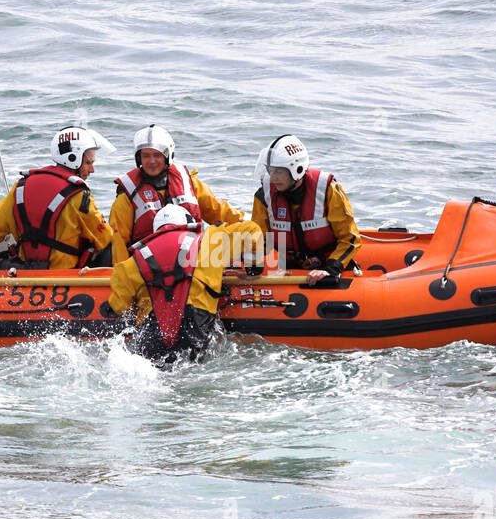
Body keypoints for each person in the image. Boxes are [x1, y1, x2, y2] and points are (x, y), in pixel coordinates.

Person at [105, 203, 264, 364]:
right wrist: (253, 270)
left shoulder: (130, 263)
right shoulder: (210, 240)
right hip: (195, 327)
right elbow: (252, 230)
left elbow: (119, 307)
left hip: (151, 334)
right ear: (188, 223)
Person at [0, 126, 115, 269]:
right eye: (88, 163)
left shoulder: (20, 187)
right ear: (72, 158)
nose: (92, 169)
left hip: (27, 273)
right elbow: (104, 237)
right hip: (64, 278)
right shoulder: (78, 195)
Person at [109, 124, 245, 256]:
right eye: (146, 156)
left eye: (157, 155)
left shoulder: (188, 183)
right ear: (139, 158)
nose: (151, 161)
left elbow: (217, 210)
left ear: (167, 156)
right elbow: (118, 239)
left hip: (191, 254)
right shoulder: (128, 194)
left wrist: (245, 225)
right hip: (149, 261)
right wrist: (121, 273)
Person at [251, 134, 361, 284]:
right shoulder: (264, 195)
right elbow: (260, 239)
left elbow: (350, 239)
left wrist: (330, 269)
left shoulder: (327, 190)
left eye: (278, 171)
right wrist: (251, 268)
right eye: (270, 171)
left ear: (297, 169)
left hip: (330, 265)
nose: (273, 177)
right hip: (291, 267)